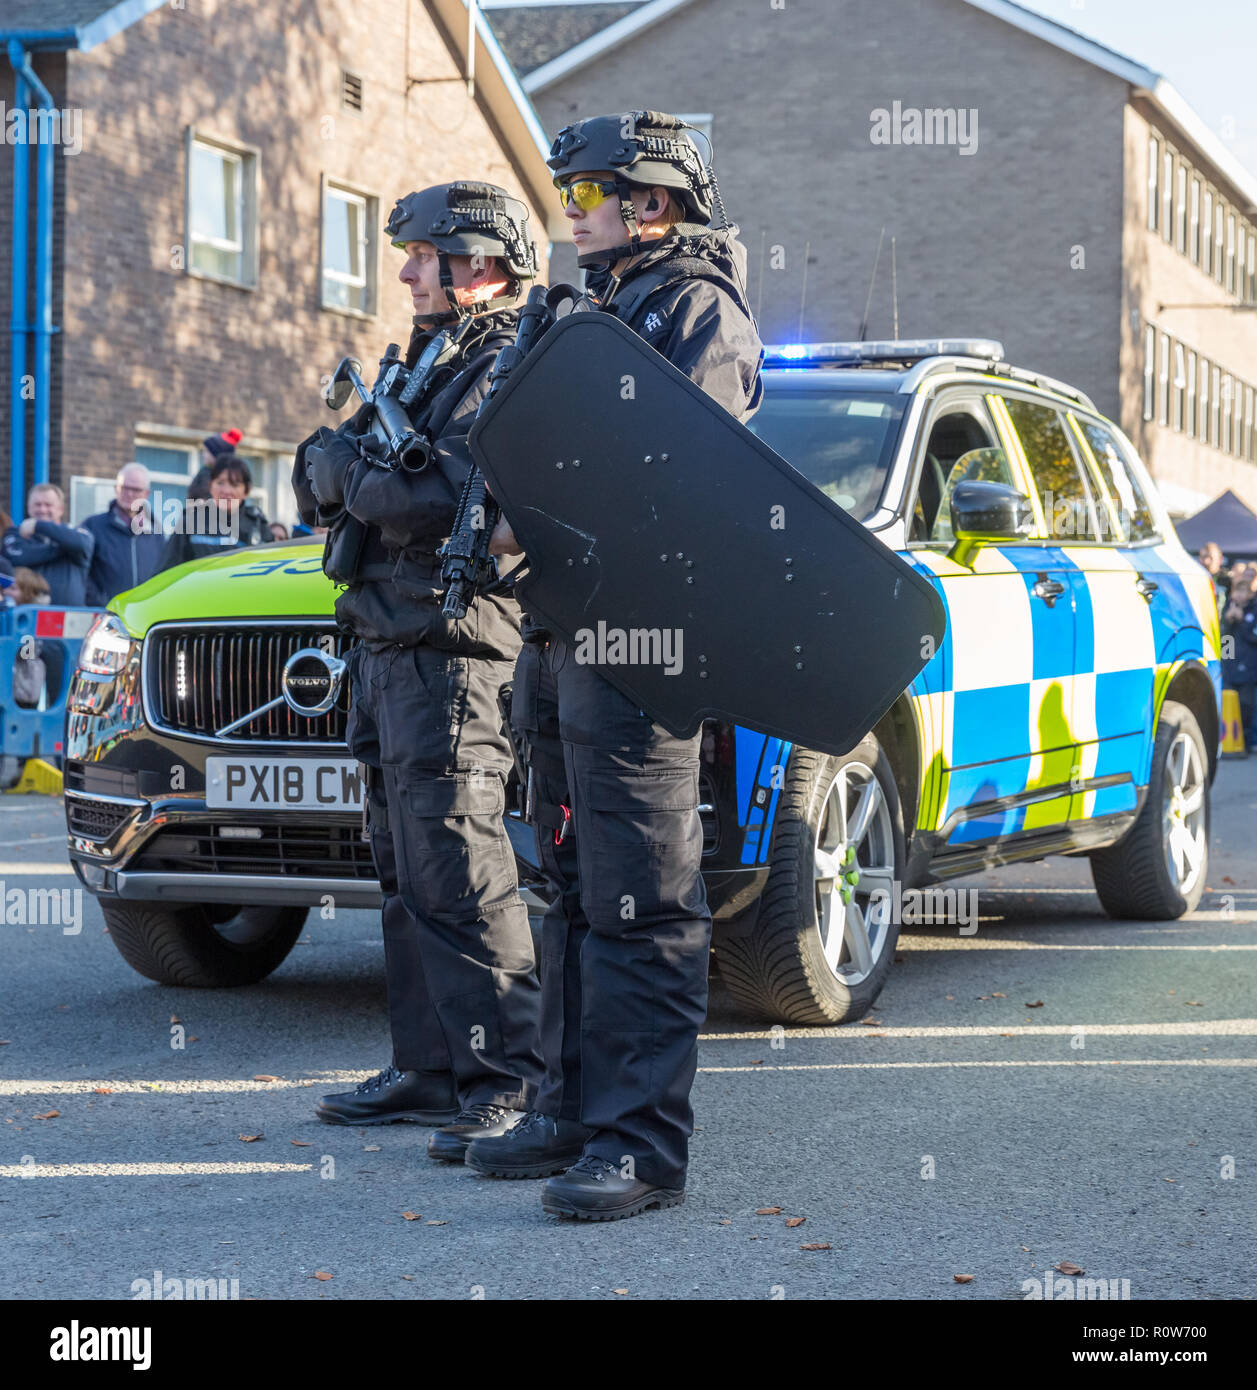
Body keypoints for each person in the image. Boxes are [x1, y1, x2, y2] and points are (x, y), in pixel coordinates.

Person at [466, 111, 763, 1219]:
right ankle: (568, 1105)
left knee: (641, 896)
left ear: (653, 201)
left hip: (640, 641)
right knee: (572, 887)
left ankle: (640, 1145)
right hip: (563, 634)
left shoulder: (698, 310)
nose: (570, 213)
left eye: (587, 194)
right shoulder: (600, 308)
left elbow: (680, 477)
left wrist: (544, 504)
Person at [292, 182, 544, 1158]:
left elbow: (431, 493)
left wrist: (353, 475)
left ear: (476, 262)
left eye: (421, 255)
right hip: (384, 636)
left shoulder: (505, 357)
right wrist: (353, 472)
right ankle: (431, 1067)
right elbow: (326, 472)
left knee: (462, 866)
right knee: (402, 866)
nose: (403, 271)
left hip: (452, 646)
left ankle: (504, 1080)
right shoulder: (423, 353)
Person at [157, 455, 269, 572]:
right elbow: (164, 572)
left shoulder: (257, 526)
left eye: (234, 485)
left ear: (246, 490)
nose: (226, 491)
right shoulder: (190, 523)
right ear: (210, 486)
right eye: (220, 483)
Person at [83, 463, 165, 605]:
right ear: (116, 488)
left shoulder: (157, 533)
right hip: (105, 616)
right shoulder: (93, 526)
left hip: (144, 617)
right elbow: (81, 571)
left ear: (146, 494)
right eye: (125, 488)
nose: (130, 494)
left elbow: (163, 576)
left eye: (136, 489)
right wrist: (100, 602)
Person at [1, 483, 94, 606]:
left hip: (69, 617)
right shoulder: (14, 534)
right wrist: (63, 548)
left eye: (48, 505)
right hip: (26, 618)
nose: (42, 510)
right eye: (37, 505)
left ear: (61, 509)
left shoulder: (77, 532)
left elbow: (82, 544)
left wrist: (39, 525)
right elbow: (19, 557)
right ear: (29, 507)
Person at [1223, 563, 1257, 748]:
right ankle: (1230, 739)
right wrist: (1228, 622)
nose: (1240, 595)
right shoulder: (1228, 607)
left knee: (1247, 705)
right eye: (1238, 591)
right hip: (1231, 665)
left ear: (1251, 594)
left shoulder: (1254, 609)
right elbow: (1225, 638)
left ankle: (1249, 740)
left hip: (1250, 665)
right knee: (1229, 701)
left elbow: (1254, 637)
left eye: (1245, 592)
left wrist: (1242, 621)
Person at [187, 428, 244, 501]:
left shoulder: (214, 476)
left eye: (207, 451)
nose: (203, 454)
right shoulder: (206, 471)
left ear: (217, 456)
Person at [1199, 542, 1231, 615]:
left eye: (1210, 557)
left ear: (1220, 559)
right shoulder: (1195, 579)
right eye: (1203, 557)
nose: (1206, 561)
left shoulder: (1228, 579)